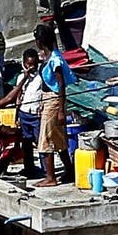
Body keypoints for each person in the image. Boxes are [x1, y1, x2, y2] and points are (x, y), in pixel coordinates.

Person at [33, 22, 76, 187]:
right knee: (59, 139)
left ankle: (50, 177)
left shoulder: (55, 60)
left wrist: (60, 110)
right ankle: (69, 170)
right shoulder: (49, 56)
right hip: (47, 99)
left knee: (46, 138)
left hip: (53, 101)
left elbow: (61, 85)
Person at [15, 48, 43, 178]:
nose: (30, 67)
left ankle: (46, 169)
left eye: (33, 64)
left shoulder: (41, 78)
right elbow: (18, 96)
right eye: (28, 64)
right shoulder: (21, 77)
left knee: (40, 142)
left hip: (36, 114)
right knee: (26, 142)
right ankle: (29, 168)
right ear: (24, 63)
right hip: (24, 113)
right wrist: (17, 116)